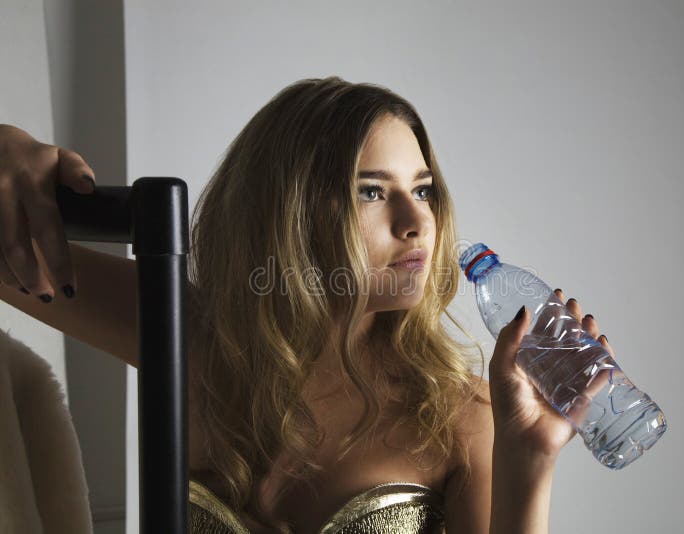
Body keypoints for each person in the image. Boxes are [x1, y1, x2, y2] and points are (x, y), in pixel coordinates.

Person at [0, 76, 615, 533]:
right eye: (371, 191)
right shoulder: (186, 338)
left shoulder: (460, 414)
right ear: (287, 210)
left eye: (423, 190)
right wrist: (7, 144)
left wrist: (530, 457)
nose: (415, 223)